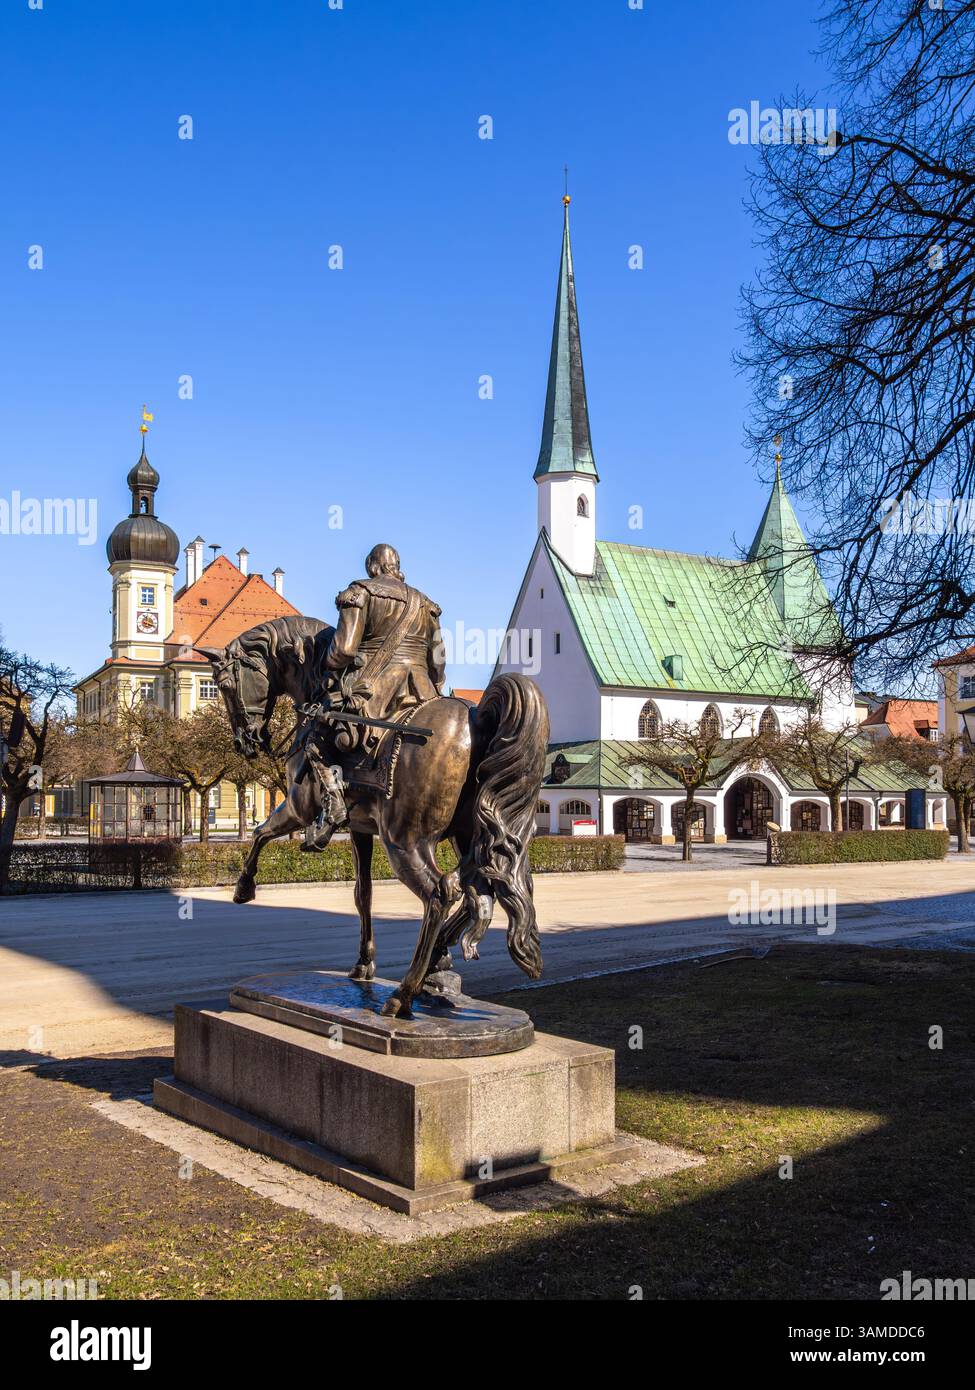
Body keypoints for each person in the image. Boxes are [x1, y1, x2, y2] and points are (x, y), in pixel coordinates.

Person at [301, 543, 444, 851]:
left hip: (376, 692)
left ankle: (334, 807)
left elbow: (344, 650)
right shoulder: (426, 604)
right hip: (423, 694)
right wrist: (437, 691)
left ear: (373, 568)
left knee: (316, 738)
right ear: (396, 566)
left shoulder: (360, 592)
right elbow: (438, 660)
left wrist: (325, 664)